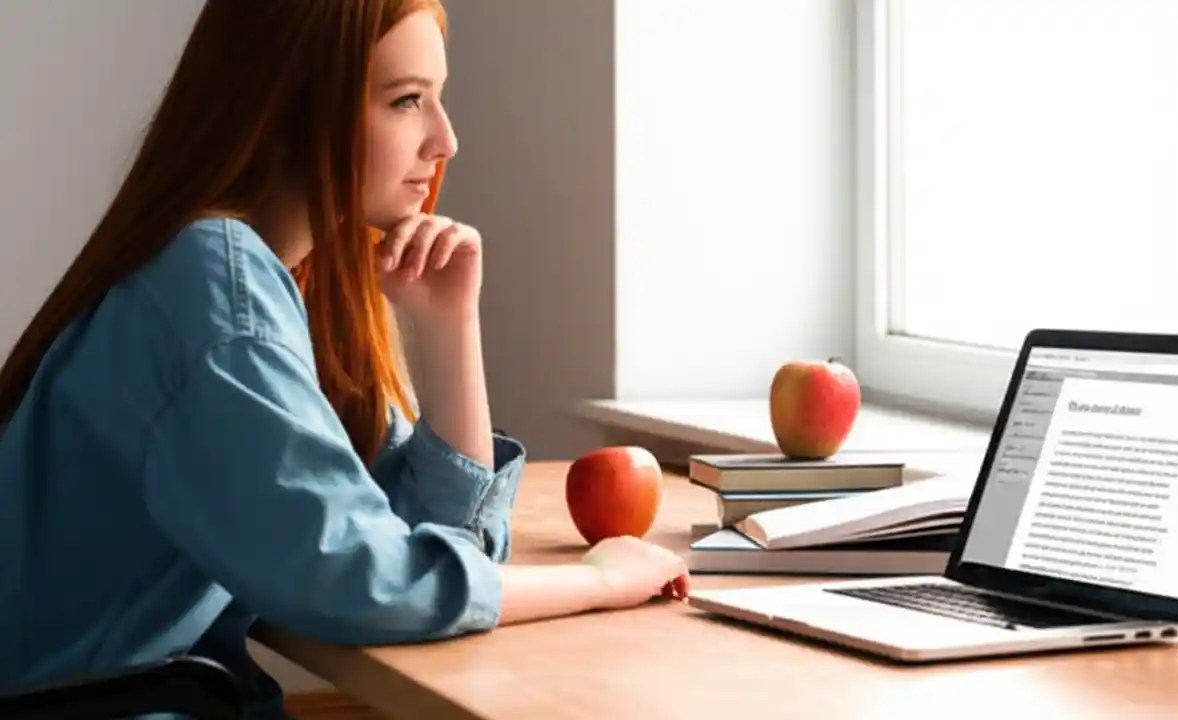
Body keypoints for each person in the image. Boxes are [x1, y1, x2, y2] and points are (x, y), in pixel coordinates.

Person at [0, 1, 690, 715]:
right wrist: (603, 580)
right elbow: (372, 584)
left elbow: (432, 545)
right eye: (407, 101)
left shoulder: (283, 278)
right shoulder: (214, 283)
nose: (445, 139)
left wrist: (451, 327)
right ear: (292, 108)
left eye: (437, 99)